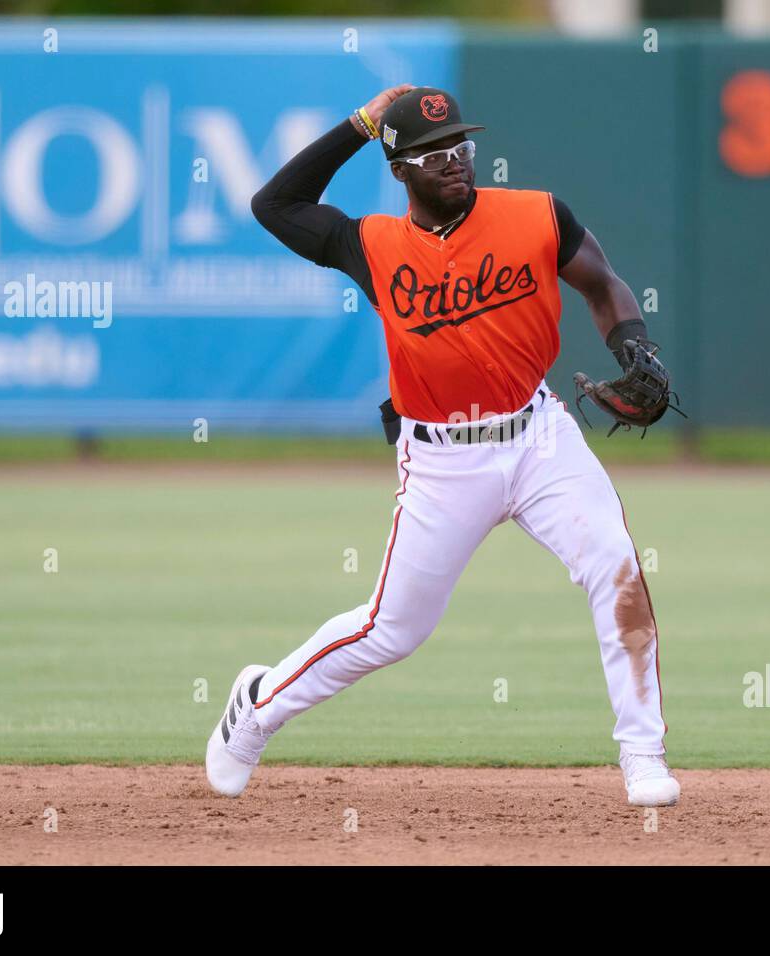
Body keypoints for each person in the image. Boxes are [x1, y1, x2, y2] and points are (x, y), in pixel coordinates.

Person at [206, 85, 679, 806]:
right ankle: (259, 704)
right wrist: (360, 125)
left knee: (616, 569)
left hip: (539, 437)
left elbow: (603, 283)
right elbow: (273, 205)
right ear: (399, 168)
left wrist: (634, 344)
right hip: (442, 460)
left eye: (459, 144)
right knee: (389, 631)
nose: (453, 159)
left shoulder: (537, 214)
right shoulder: (369, 244)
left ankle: (642, 755)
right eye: (431, 151)